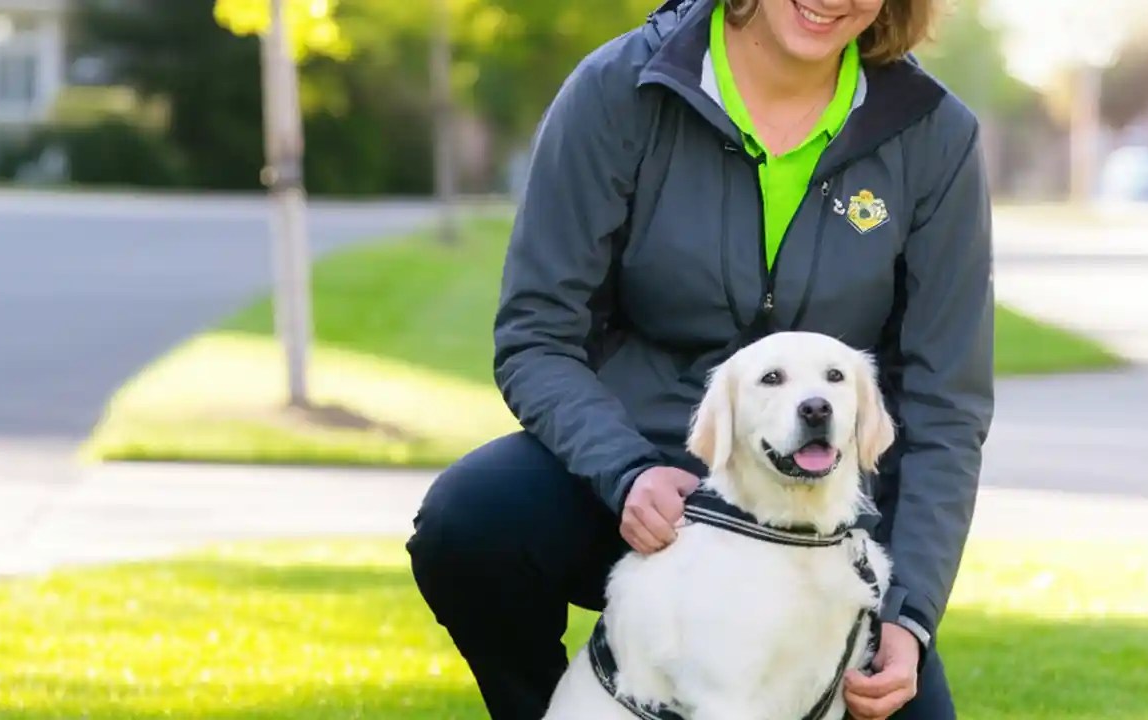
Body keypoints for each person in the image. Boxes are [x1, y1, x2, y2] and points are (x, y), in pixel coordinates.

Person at [406, 0, 994, 717]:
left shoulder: (933, 132)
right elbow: (537, 333)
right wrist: (624, 470)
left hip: (821, 532)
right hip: (632, 479)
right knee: (471, 523)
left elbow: (945, 406)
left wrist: (909, 615)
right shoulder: (619, 91)